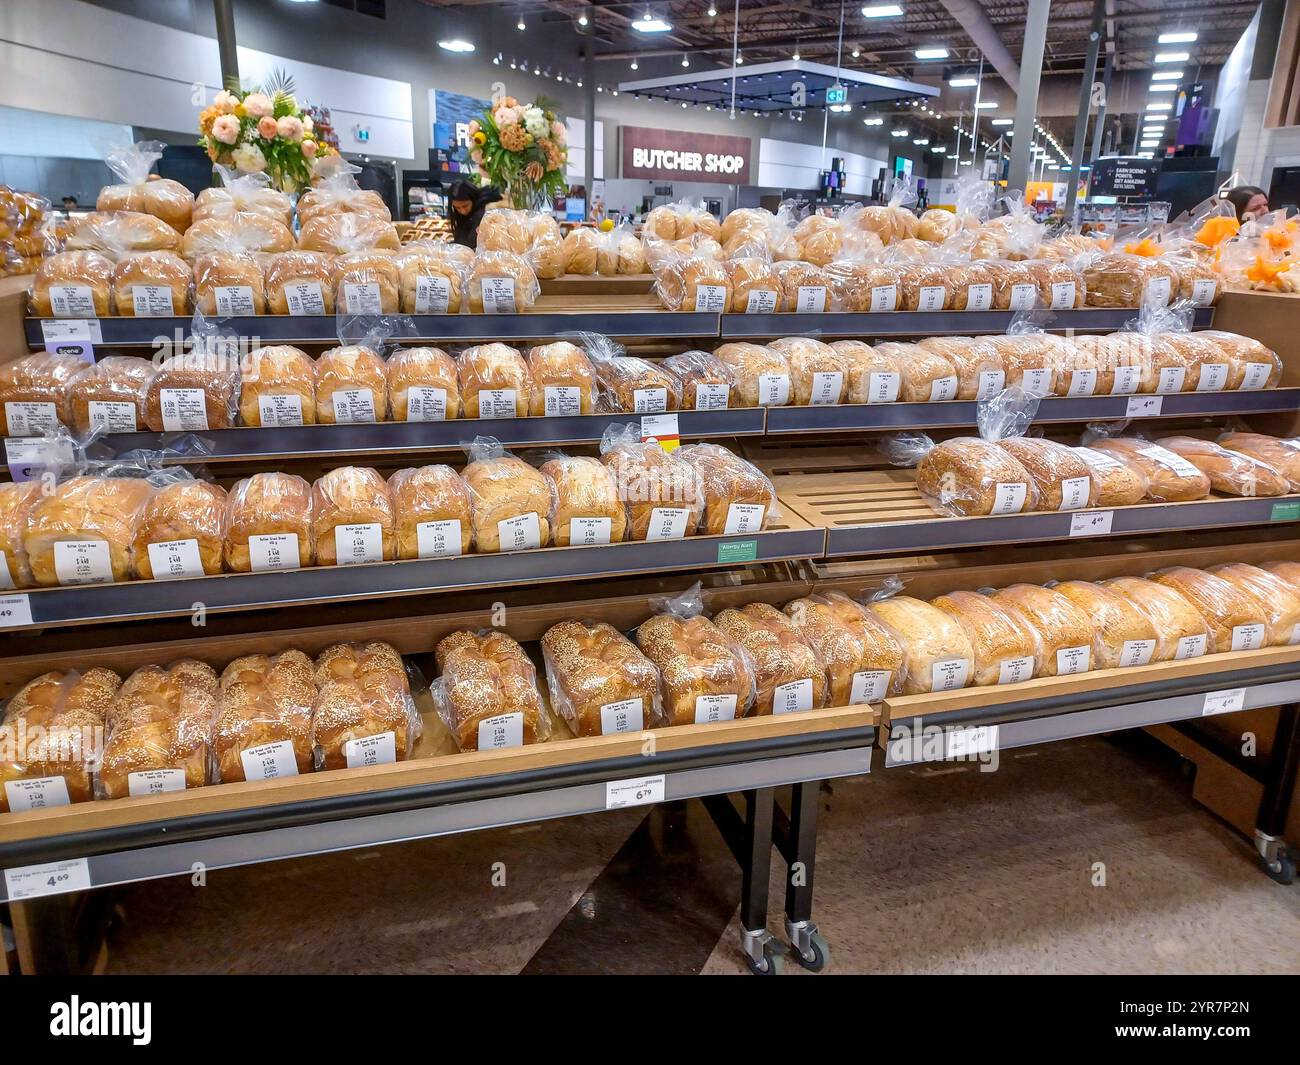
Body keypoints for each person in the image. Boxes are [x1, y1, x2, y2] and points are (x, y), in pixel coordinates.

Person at [446, 180, 502, 248]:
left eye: (465, 206)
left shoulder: (483, 212)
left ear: (472, 198)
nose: (462, 211)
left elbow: (471, 243)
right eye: (457, 208)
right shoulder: (461, 215)